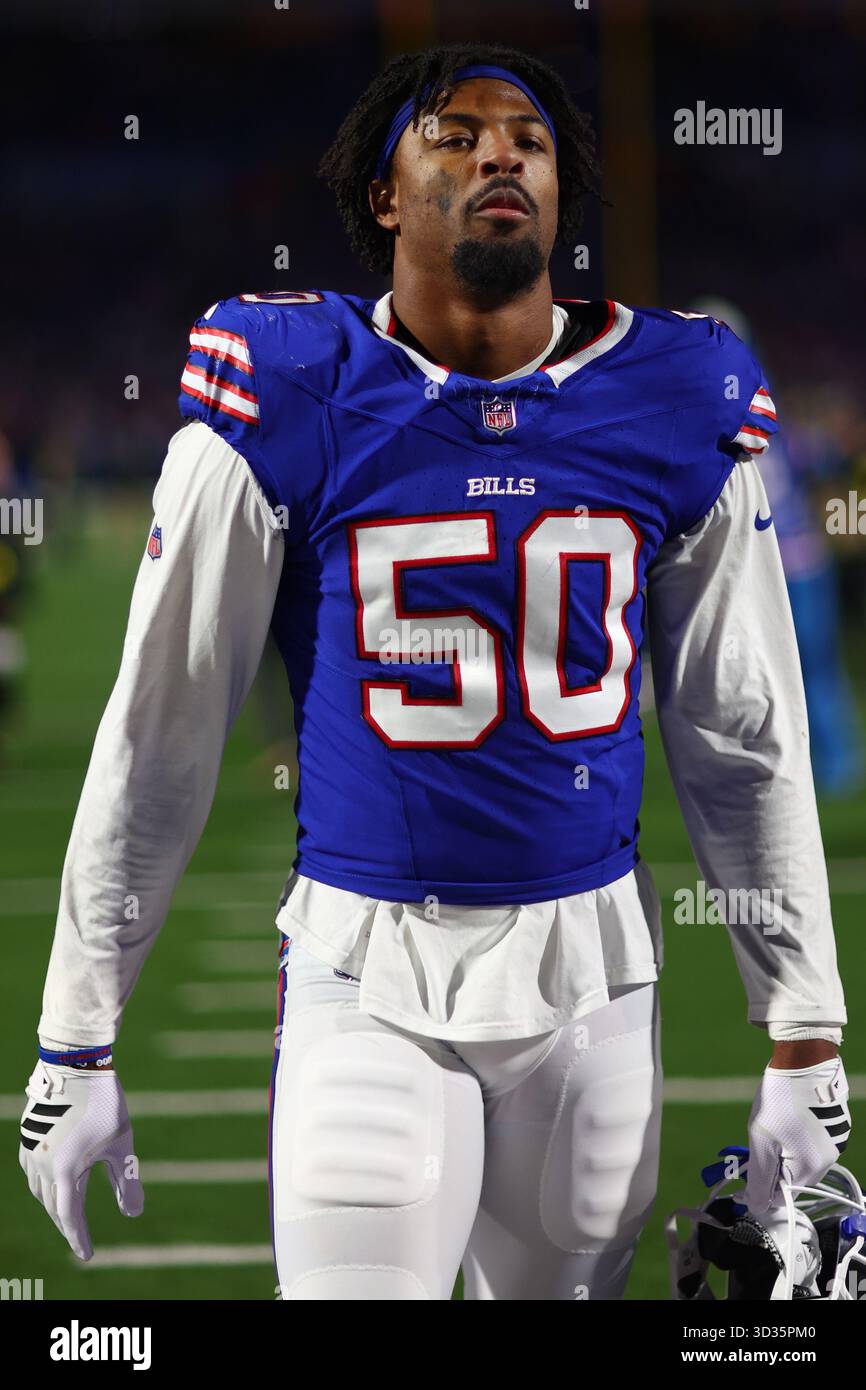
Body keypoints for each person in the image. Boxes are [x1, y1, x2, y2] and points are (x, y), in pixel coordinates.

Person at [20, 42, 850, 1301]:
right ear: (383, 194)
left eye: (526, 135)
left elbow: (741, 737)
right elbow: (159, 736)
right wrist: (75, 1037)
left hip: (595, 983)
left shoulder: (678, 396)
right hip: (369, 974)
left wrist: (806, 1041)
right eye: (452, 134)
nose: (499, 151)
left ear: (562, 189)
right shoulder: (287, 392)